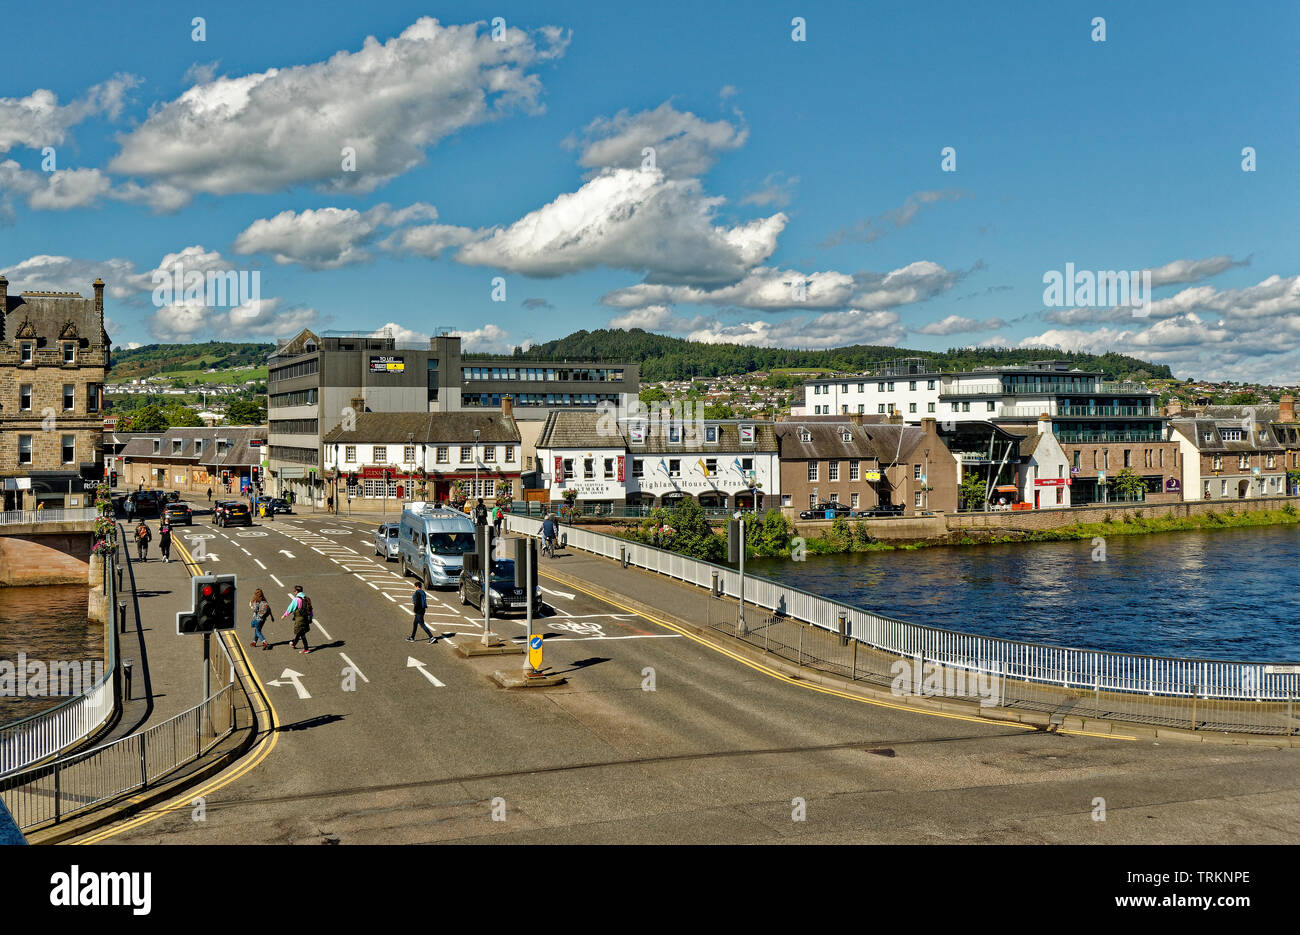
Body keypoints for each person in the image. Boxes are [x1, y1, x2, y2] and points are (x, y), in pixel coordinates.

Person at [282, 586, 312, 654]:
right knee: (301, 631)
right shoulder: (307, 598)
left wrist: (284, 615)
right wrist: (311, 618)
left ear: (297, 591)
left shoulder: (297, 599)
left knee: (301, 632)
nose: (294, 592)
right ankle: (293, 643)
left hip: (300, 618)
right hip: (306, 618)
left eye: (294, 591)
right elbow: (310, 609)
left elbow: (291, 608)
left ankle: (306, 648)